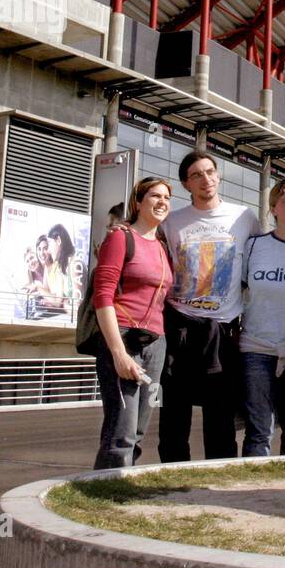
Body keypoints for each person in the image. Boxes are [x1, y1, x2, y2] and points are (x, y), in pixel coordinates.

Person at [157, 150, 260, 462]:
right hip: (180, 327)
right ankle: (172, 479)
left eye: (210, 172)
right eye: (197, 175)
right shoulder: (172, 222)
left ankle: (219, 477)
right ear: (187, 184)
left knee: (220, 417)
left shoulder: (245, 218)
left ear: (218, 175)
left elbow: (254, 270)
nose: (206, 180)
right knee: (174, 414)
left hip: (223, 331)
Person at [91, 177, 173, 469]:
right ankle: (106, 494)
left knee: (138, 430)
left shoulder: (162, 245)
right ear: (138, 202)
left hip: (156, 343)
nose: (162, 201)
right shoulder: (120, 238)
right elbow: (102, 296)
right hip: (125, 339)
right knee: (121, 431)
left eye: (166, 197)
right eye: (154, 196)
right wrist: (118, 353)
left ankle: (123, 488)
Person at [239, 178, 285, 457]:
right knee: (259, 430)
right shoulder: (255, 247)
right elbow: (238, 290)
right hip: (256, 349)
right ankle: (254, 492)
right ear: (273, 210)